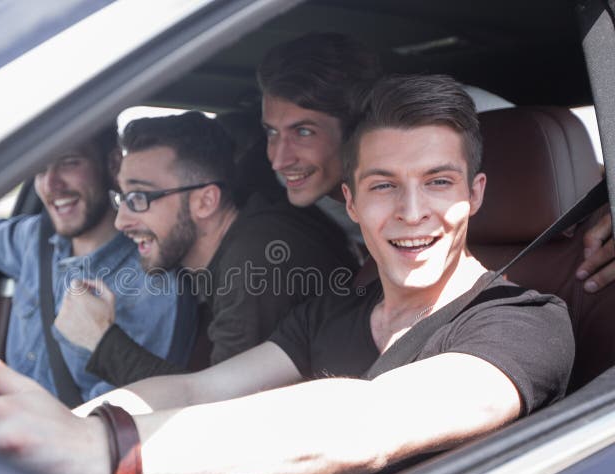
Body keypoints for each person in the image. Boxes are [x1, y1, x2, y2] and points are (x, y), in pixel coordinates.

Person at [0, 75, 574, 474]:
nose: (411, 212)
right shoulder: (338, 311)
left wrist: (111, 453)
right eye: (382, 186)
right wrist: (73, 426)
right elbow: (198, 391)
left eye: (438, 182)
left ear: (476, 195)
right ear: (350, 201)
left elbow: (371, 421)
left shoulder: (525, 323)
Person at [257, 32, 615, 292]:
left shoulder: (459, 120)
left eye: (303, 132)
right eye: (272, 132)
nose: (278, 159)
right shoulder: (298, 180)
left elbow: (564, 167)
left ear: (354, 126)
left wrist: (607, 207)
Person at [53, 112, 354, 385]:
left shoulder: (256, 263)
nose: (121, 221)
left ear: (205, 201)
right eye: (122, 198)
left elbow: (215, 411)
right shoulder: (244, 233)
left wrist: (100, 340)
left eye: (140, 198)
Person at [0, 125, 193, 402]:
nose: (50, 184)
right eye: (40, 169)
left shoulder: (153, 283)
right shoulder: (32, 240)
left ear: (112, 165)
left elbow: (118, 412)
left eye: (69, 162)